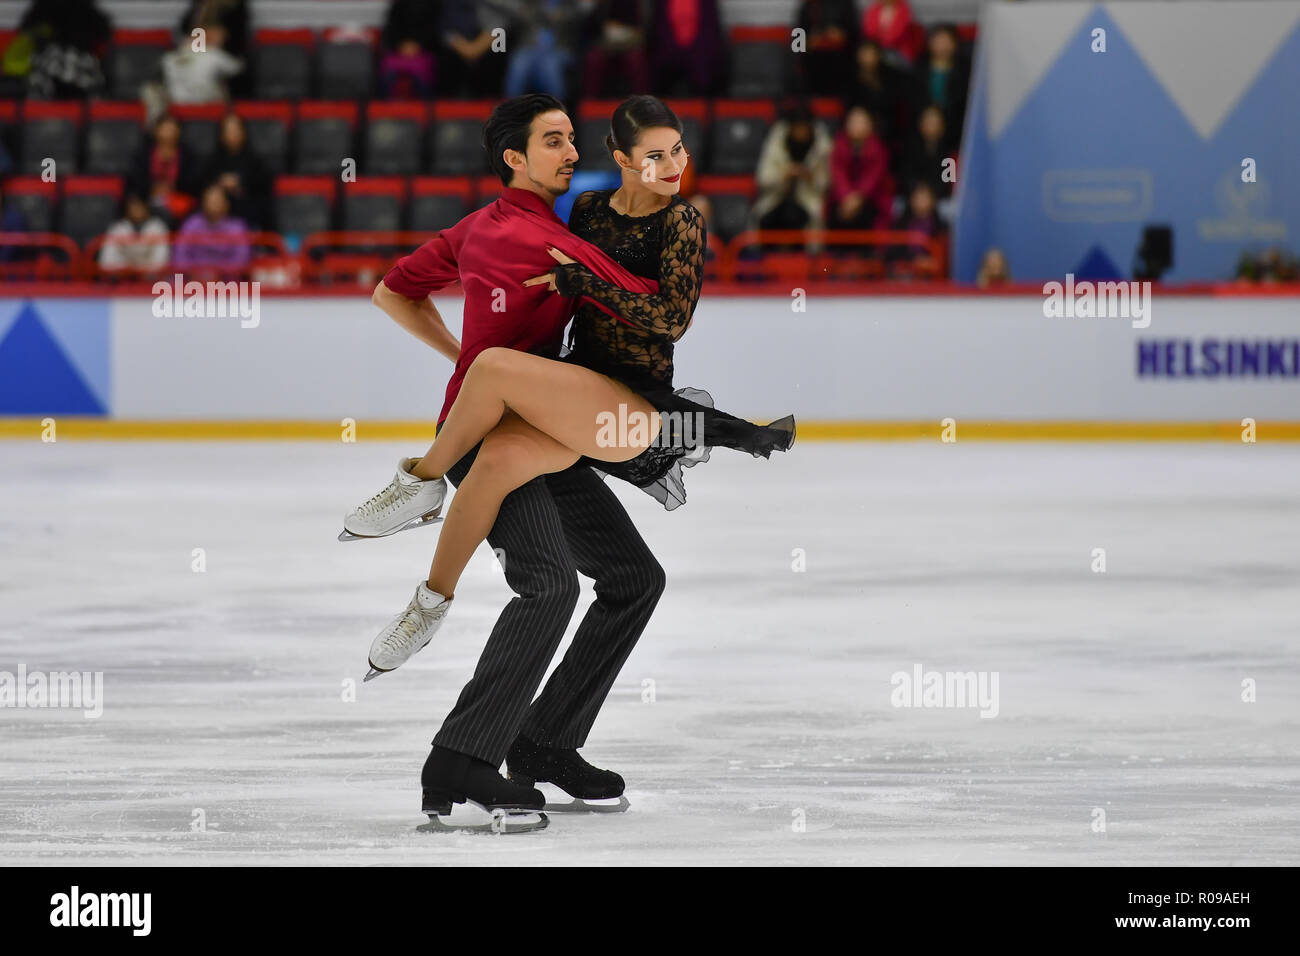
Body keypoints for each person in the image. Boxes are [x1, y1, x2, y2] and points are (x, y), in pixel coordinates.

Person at [344, 94, 794, 821]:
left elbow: (392, 293)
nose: (571, 153)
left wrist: (466, 360)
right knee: (549, 586)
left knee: (632, 577)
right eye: (554, 142)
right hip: (501, 432)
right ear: (513, 158)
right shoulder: (558, 234)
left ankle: (546, 742)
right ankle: (462, 757)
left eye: (571, 140)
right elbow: (651, 304)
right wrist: (721, 426)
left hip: (553, 425)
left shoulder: (525, 223)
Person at [753, 100, 833, 240]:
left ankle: (810, 260)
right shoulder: (776, 142)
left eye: (804, 128)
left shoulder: (822, 146)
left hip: (809, 200)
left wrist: (810, 177)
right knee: (769, 217)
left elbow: (826, 184)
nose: (801, 132)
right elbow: (762, 179)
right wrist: (784, 174)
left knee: (807, 217)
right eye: (797, 128)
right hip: (776, 199)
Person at [197, 112, 270, 229]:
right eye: (228, 130)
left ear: (243, 132)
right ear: (221, 134)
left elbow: (262, 187)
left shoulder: (255, 161)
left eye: (236, 129)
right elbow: (203, 184)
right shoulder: (212, 161)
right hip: (215, 216)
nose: (232, 134)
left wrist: (240, 184)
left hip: (246, 212)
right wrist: (220, 183)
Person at [172, 182, 249, 276]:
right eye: (209, 200)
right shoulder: (192, 224)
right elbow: (180, 253)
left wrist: (219, 273)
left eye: (216, 200)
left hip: (227, 282)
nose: (212, 203)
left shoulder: (236, 227)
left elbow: (241, 258)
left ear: (226, 203)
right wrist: (192, 272)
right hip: (192, 280)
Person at [97, 193, 169, 275]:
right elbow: (106, 259)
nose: (136, 209)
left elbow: (161, 258)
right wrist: (126, 270)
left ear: (146, 207)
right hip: (122, 278)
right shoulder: (117, 228)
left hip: (151, 279)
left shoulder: (158, 227)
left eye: (139, 205)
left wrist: (143, 270)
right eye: (133, 206)